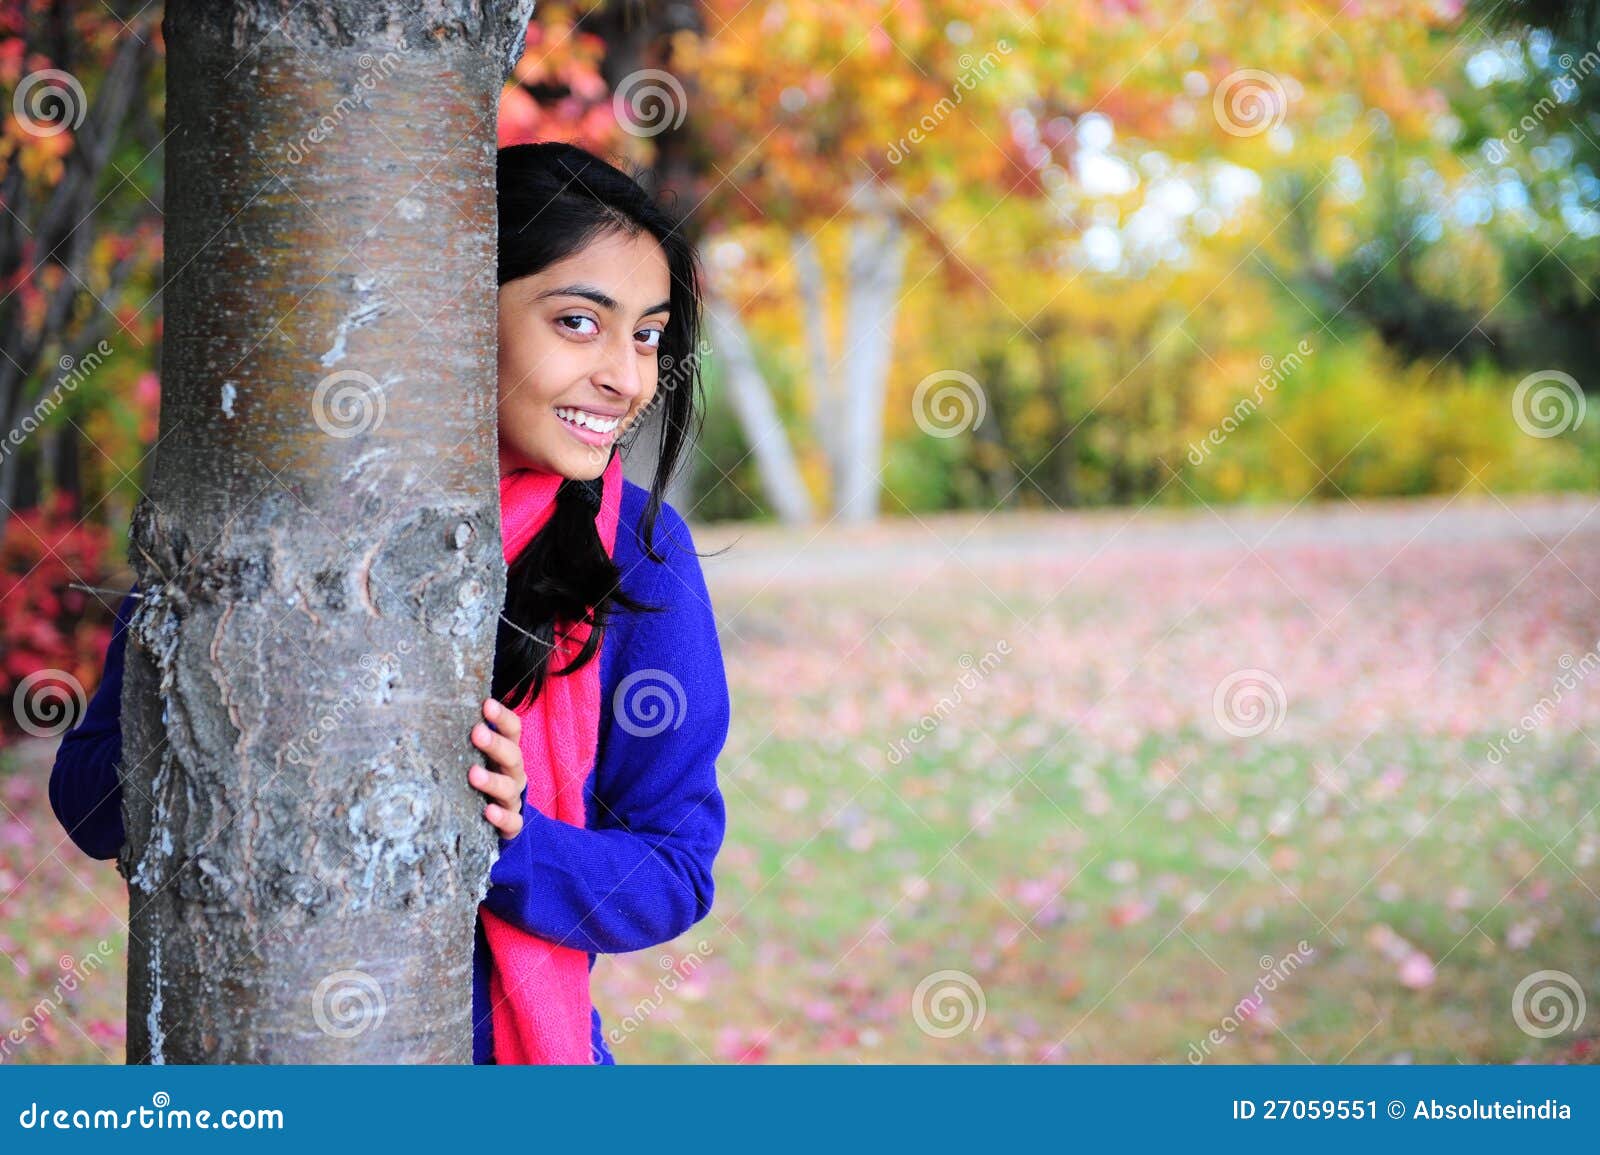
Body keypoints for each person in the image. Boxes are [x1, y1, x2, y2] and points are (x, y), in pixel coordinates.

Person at [48, 141, 730, 1065]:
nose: (627, 376)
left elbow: (674, 870)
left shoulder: (640, 554)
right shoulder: (268, 518)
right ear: (455, 312)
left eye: (646, 334)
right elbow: (90, 800)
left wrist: (512, 841)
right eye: (579, 322)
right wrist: (244, 711)